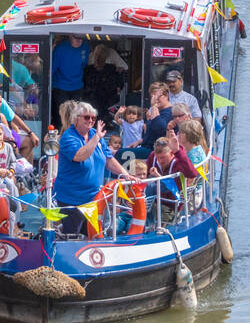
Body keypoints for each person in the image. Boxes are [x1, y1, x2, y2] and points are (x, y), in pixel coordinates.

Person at [53, 102, 129, 236]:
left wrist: (125, 174)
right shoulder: (68, 137)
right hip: (72, 199)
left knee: (93, 236)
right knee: (72, 237)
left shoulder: (94, 134)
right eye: (87, 117)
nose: (91, 121)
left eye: (93, 118)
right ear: (76, 118)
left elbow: (109, 159)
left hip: (94, 198)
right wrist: (96, 138)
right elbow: (80, 156)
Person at [146, 135, 198, 211]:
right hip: (154, 202)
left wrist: (178, 151)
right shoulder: (152, 157)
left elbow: (193, 174)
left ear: (171, 153)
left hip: (171, 207)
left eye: (163, 157)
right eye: (158, 157)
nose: (160, 161)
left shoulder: (178, 162)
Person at [50, 34, 90, 128]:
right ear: (70, 36)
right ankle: (60, 134)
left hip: (77, 86)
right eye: (76, 37)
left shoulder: (86, 46)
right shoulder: (60, 49)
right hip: (60, 86)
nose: (79, 40)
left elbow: (84, 64)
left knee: (76, 114)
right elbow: (52, 68)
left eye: (81, 37)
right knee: (61, 115)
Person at [83, 44, 125, 123]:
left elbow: (118, 84)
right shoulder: (89, 70)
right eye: (98, 55)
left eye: (101, 56)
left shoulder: (111, 69)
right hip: (93, 101)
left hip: (106, 101)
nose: (99, 58)